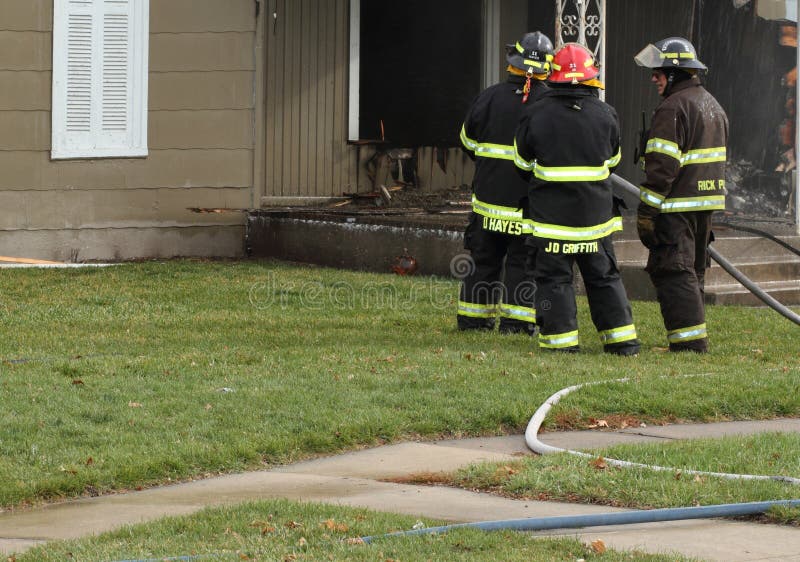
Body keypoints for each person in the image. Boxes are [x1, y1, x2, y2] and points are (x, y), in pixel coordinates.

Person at [513, 43, 640, 355]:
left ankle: (561, 344)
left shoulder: (535, 113)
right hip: (595, 222)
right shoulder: (606, 114)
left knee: (554, 280)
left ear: (553, 76)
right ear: (589, 78)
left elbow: (522, 164)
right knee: (604, 277)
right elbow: (613, 161)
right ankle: (622, 343)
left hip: (552, 222)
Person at [634, 37, 728, 353]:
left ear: (675, 73)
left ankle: (689, 345)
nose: (653, 77)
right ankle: (690, 340)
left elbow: (662, 167)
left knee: (673, 268)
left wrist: (648, 210)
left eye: (659, 72)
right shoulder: (711, 104)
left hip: (676, 205)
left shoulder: (673, 107)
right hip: (705, 203)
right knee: (692, 270)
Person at [456, 31, 553, 334]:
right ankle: (516, 324)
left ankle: (472, 320)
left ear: (514, 62)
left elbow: (467, 142)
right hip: (526, 207)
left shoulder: (488, 96)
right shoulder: (549, 104)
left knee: (483, 260)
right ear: (546, 68)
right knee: (522, 264)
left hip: (487, 205)